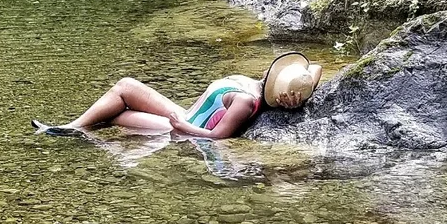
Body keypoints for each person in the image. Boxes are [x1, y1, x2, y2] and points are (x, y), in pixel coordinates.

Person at [32, 51, 324, 140]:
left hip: (183, 126)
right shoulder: (254, 84)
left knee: (117, 115)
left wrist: (181, 127)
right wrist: (304, 85)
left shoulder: (246, 100)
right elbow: (316, 67)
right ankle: (75, 126)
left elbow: (218, 136)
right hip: (183, 113)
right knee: (125, 85)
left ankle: (74, 131)